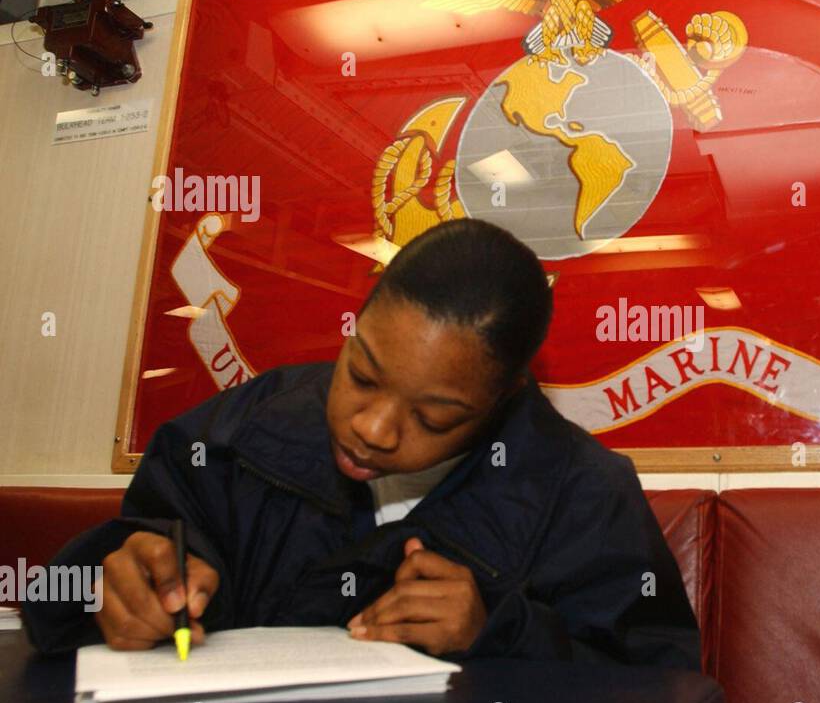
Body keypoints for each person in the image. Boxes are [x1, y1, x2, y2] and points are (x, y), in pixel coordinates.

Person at [24, 219, 700, 670]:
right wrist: (121, 582)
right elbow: (101, 574)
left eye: (435, 419)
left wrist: (503, 632)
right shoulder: (243, 427)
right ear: (354, 326)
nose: (372, 429)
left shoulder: (582, 494)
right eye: (363, 375)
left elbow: (661, 694)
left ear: (504, 398)